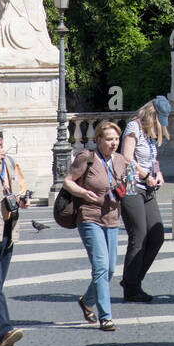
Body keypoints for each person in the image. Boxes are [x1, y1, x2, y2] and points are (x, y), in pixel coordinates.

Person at [63, 120, 129, 333]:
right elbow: (68, 181)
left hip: (112, 218)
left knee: (109, 269)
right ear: (98, 139)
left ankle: (86, 301)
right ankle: (106, 317)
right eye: (109, 139)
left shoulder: (120, 160)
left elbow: (128, 182)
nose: (114, 143)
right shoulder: (86, 158)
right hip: (89, 216)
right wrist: (82, 193)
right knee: (100, 266)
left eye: (117, 139)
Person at [0, 118, 29, 346]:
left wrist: (22, 199)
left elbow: (14, 190)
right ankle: (4, 330)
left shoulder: (9, 162)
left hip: (6, 230)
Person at [119, 98, 167, 303]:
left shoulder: (150, 134)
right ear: (150, 114)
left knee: (157, 236)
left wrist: (158, 173)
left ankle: (135, 279)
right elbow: (127, 157)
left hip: (147, 188)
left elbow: (152, 159)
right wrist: (145, 176)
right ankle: (131, 286)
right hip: (131, 187)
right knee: (139, 235)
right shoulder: (134, 127)